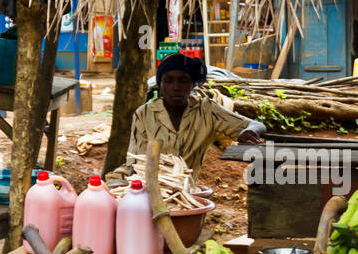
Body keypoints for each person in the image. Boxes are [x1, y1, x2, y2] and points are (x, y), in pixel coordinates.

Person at [108, 52, 265, 181]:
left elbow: (257, 125)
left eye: (183, 81)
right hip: (144, 183)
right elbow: (135, 163)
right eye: (169, 81)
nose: (176, 87)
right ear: (161, 85)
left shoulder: (207, 110)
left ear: (192, 84)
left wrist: (249, 131)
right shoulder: (144, 113)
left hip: (182, 190)